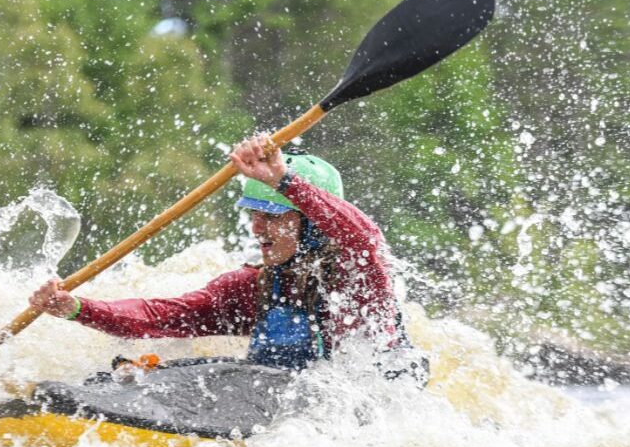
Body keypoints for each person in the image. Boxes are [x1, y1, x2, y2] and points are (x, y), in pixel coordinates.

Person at [30, 135, 416, 372]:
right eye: (254, 216)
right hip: (277, 406)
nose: (257, 229)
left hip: (366, 409)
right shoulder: (253, 289)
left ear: (314, 225)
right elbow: (161, 316)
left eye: (272, 216)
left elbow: (364, 236)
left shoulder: (361, 279)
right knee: (170, 370)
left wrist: (284, 182)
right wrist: (77, 308)